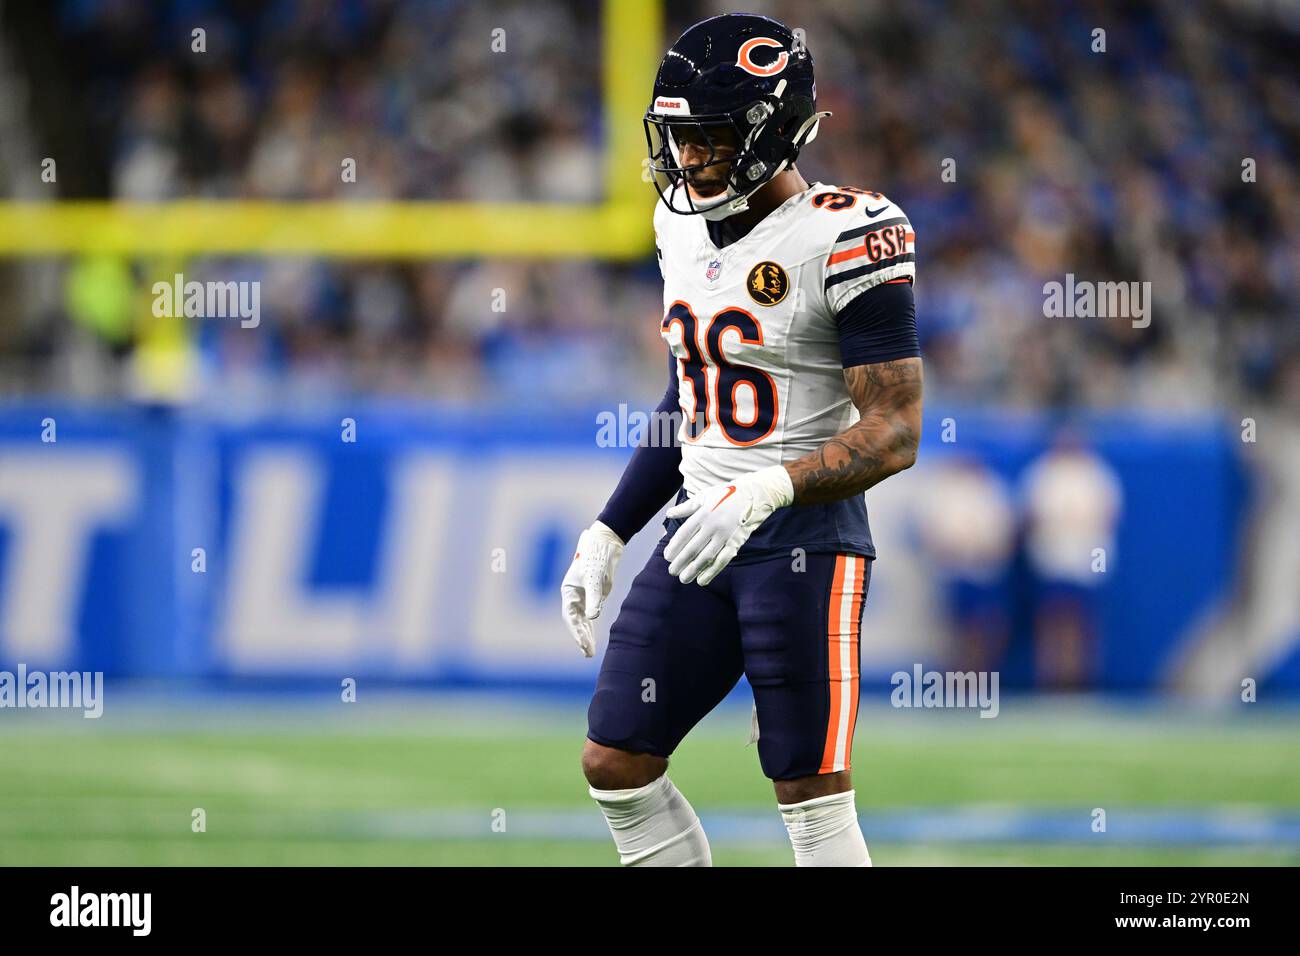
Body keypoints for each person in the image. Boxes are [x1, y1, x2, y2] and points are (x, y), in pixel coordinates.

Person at [559, 14, 923, 866]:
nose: (688, 159)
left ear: (776, 133)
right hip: (699, 532)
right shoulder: (675, 227)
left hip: (804, 541)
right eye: (679, 137)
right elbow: (693, 390)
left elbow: (896, 429)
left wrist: (768, 489)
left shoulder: (847, 232)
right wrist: (610, 530)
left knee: (808, 789)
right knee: (615, 758)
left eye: (712, 138)